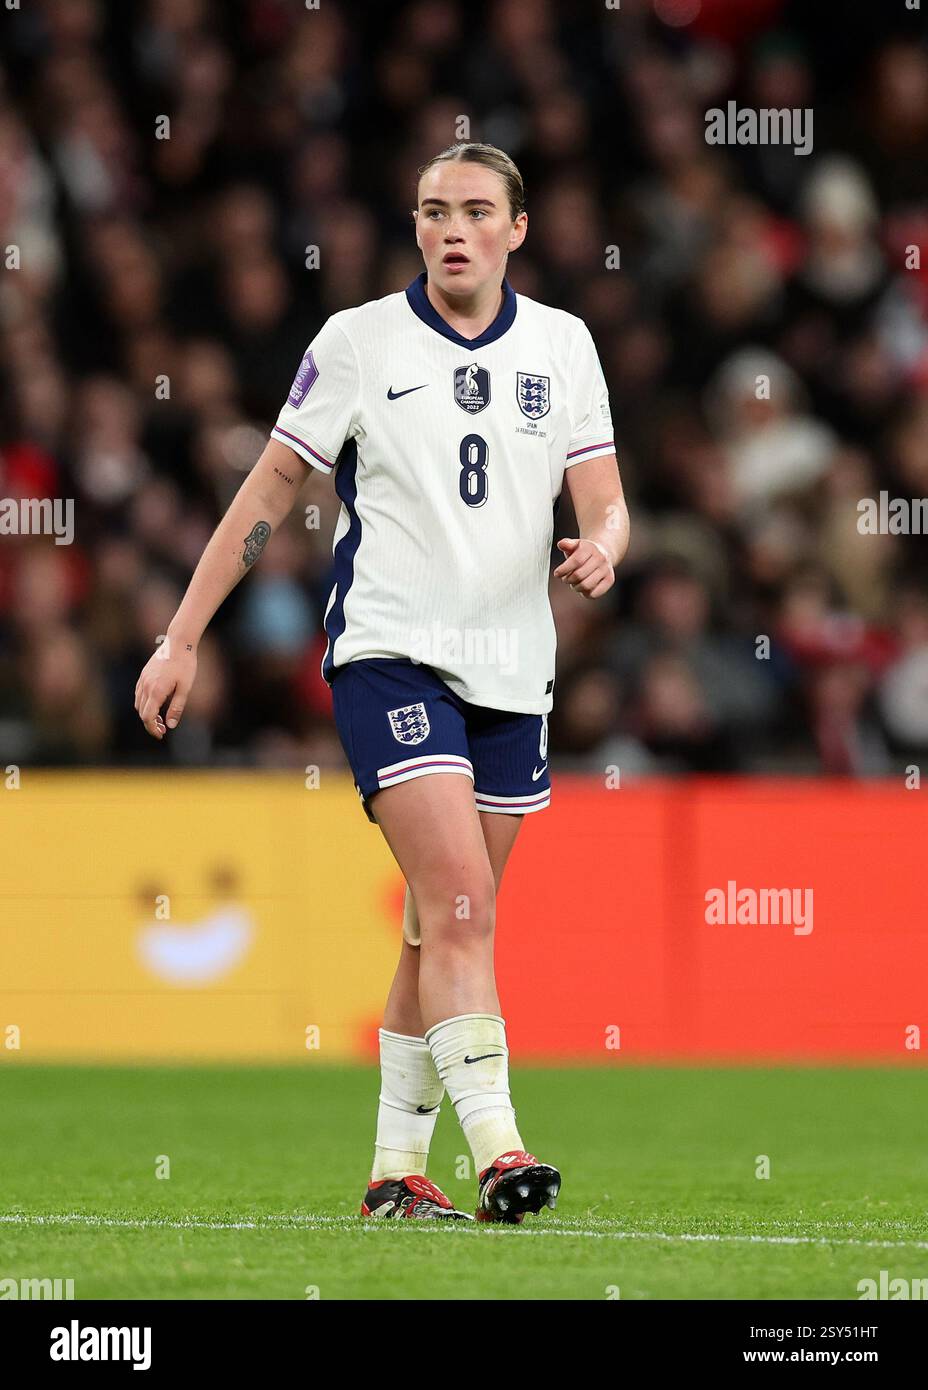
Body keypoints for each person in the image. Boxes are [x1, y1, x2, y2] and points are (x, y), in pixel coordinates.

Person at [135, 142, 629, 1223]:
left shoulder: (565, 344)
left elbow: (604, 495)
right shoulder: (357, 342)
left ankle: (395, 1173)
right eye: (432, 210)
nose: (452, 228)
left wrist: (604, 543)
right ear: (414, 227)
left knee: (435, 924)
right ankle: (501, 1149)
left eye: (475, 210)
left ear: (517, 229)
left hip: (514, 670)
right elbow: (270, 486)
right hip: (390, 652)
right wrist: (183, 635)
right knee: (462, 903)